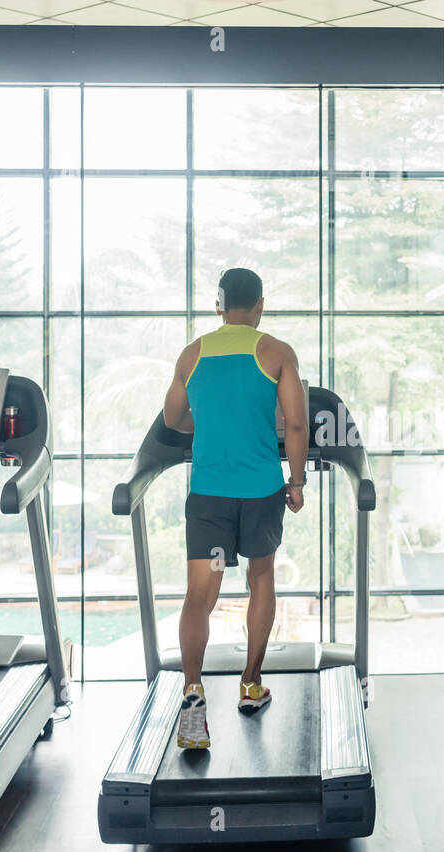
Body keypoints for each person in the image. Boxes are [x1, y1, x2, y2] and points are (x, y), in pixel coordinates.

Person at [162, 267, 307, 749]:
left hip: (210, 495)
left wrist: (212, 427)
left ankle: (193, 689)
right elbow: (297, 424)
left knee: (200, 594)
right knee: (260, 578)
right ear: (260, 305)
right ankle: (250, 683)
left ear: (219, 305)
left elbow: (173, 418)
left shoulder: (193, 353)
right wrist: (298, 481)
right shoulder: (277, 352)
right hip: (261, 492)